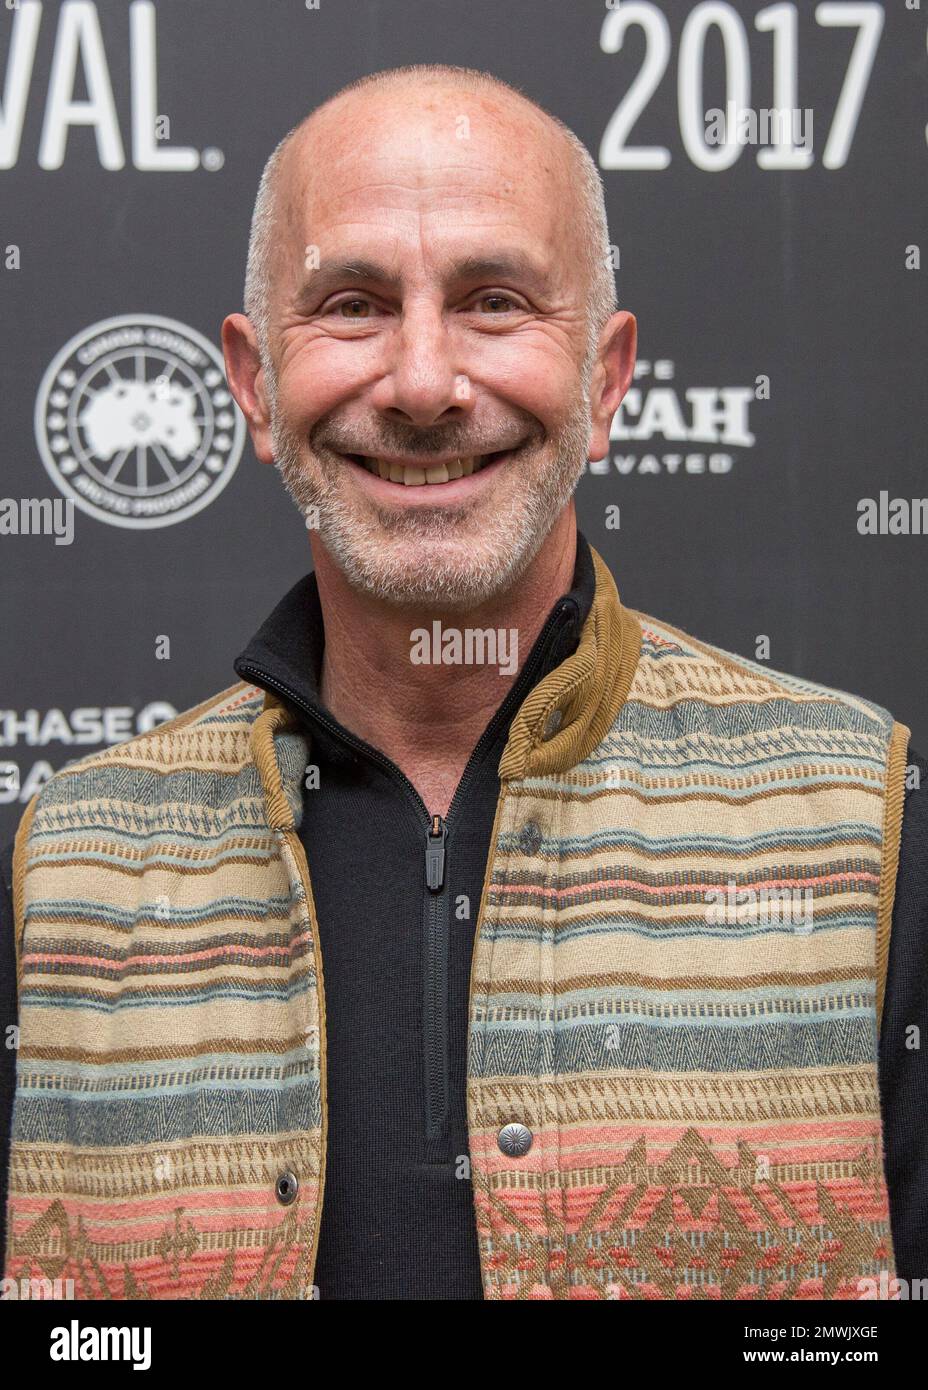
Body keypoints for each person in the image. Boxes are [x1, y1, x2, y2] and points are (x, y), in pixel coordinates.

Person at [2, 64, 925, 1301]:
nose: (425, 382)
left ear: (603, 383)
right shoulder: (61, 870)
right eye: (351, 304)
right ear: (253, 383)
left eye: (495, 302)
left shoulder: (872, 834)